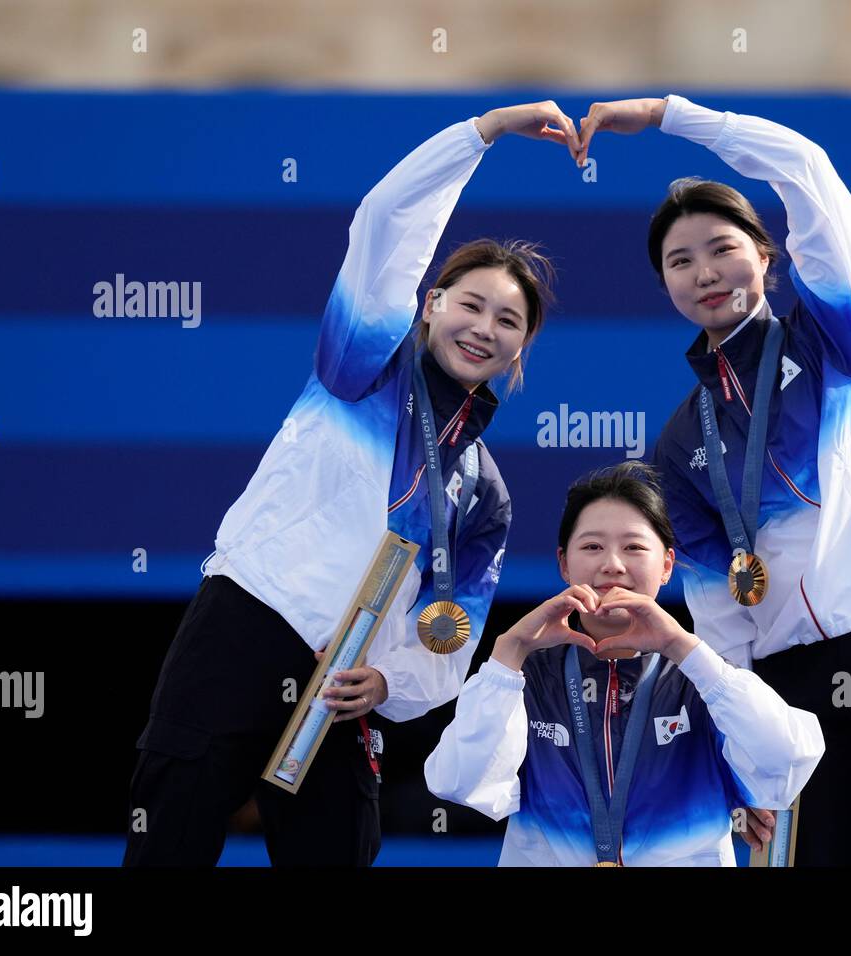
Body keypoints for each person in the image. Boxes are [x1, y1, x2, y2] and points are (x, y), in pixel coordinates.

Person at [124, 101, 584, 866]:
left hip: (345, 682)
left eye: (509, 321)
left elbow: (454, 623)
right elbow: (384, 219)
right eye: (470, 303)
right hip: (246, 625)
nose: (485, 327)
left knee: (338, 855)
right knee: (170, 835)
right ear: (429, 305)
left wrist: (390, 684)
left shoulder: (485, 492)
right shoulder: (363, 365)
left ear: (520, 349)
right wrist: (486, 131)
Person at [572, 95, 851, 866]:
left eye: (721, 249)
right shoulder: (682, 441)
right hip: (785, 685)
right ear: (664, 285)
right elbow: (720, 617)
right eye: (679, 262)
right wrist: (742, 748)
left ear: (767, 255)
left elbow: (807, 171)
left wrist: (669, 114)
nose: (704, 274)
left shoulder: (837, 340)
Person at [424, 462, 825, 866]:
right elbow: (460, 782)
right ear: (564, 564)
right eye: (592, 546)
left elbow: (787, 759)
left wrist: (683, 648)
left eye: (634, 547)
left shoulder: (705, 677)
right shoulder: (525, 680)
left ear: (667, 564)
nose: (613, 564)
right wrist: (506, 654)